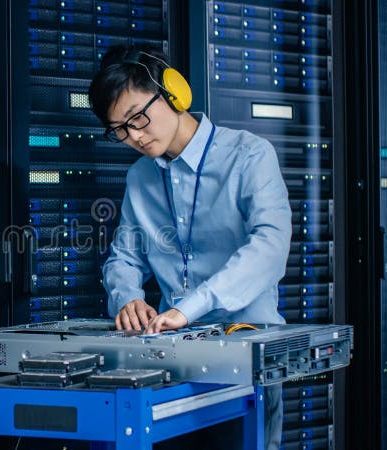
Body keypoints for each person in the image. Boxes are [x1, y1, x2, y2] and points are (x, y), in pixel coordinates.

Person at [89, 44, 291, 450]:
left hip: (245, 358)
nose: (135, 136)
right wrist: (126, 298)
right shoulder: (139, 179)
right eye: (120, 130)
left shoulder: (249, 155)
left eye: (137, 118)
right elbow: (125, 257)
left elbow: (270, 246)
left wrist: (189, 308)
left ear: (173, 93)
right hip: (170, 362)